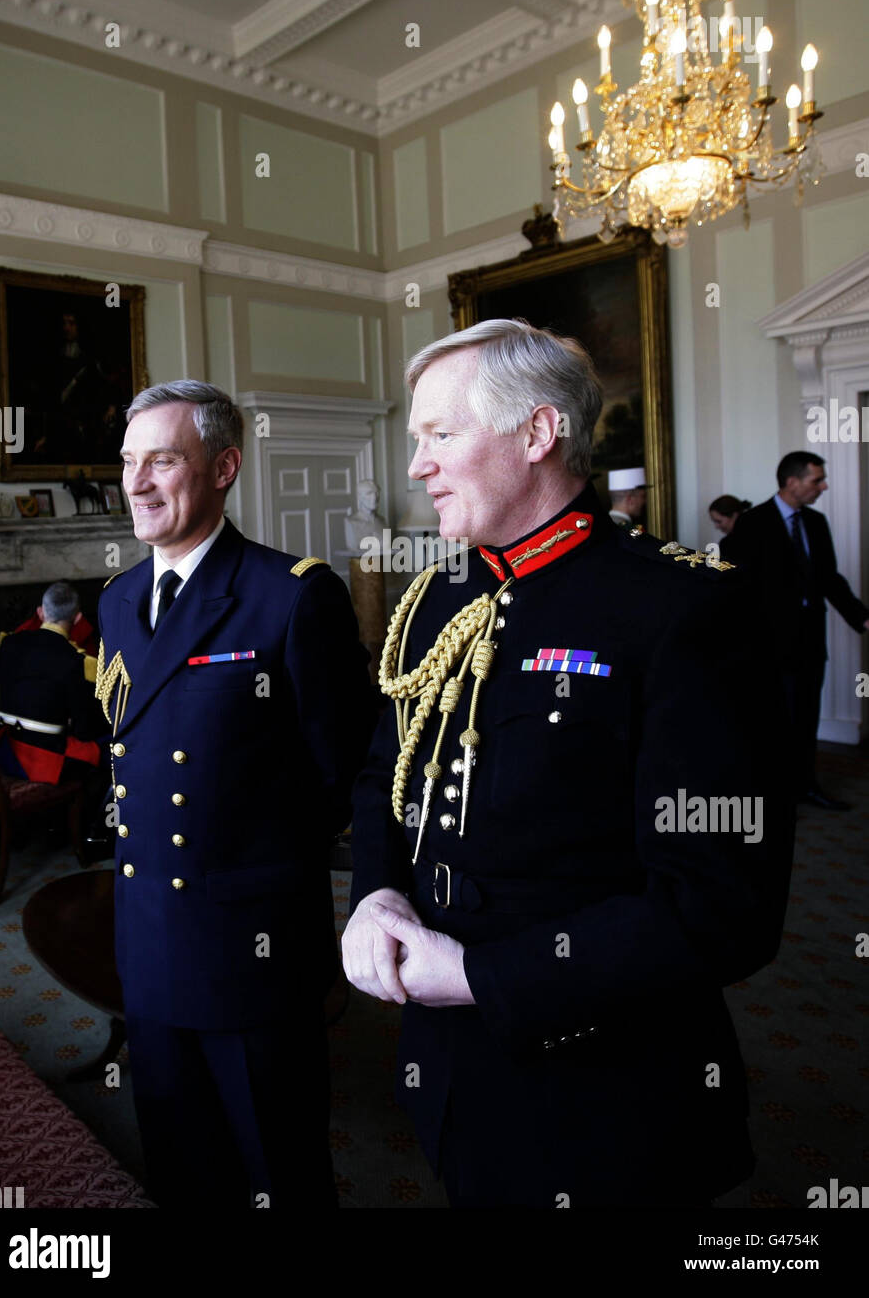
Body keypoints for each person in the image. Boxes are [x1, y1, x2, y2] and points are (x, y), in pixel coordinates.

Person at [343, 318, 793, 1209]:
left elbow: (721, 906)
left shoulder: (680, 608)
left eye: (440, 435)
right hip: (450, 1070)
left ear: (538, 432)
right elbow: (382, 777)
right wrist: (376, 892)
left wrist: (480, 977)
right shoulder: (439, 597)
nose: (417, 466)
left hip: (604, 1095)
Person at [98, 379, 373, 1210]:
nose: (137, 482)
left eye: (163, 460)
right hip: (147, 942)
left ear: (224, 466)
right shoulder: (114, 601)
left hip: (248, 950)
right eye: (128, 462)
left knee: (277, 1172)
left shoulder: (290, 594)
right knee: (182, 1165)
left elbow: (346, 771)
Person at [721, 452, 869, 812]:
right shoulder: (754, 523)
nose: (824, 486)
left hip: (810, 643)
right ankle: (773, 800)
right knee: (773, 724)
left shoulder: (816, 523)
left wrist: (862, 618)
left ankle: (806, 786)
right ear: (791, 482)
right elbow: (736, 586)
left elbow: (830, 580)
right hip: (768, 646)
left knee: (805, 720)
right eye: (817, 480)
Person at [0, 581, 107, 789]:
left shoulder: (8, 643)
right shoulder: (78, 662)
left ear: (40, 612)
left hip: (3, 752)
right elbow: (85, 730)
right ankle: (90, 818)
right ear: (78, 618)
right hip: (40, 761)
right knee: (115, 747)